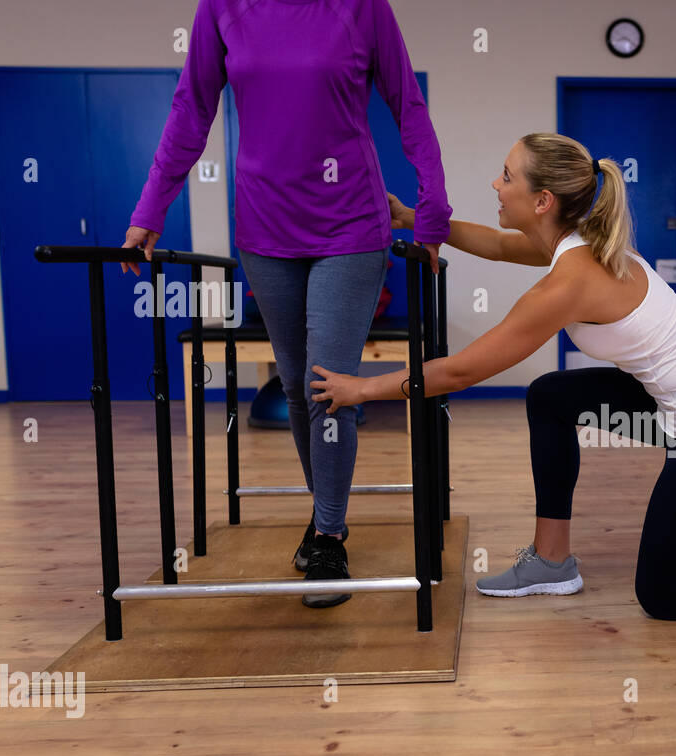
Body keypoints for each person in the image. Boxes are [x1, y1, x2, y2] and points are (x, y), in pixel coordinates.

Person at [309, 133, 676, 620]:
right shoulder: (574, 243)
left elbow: (461, 370)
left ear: (542, 201)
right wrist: (415, 219)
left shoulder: (570, 279)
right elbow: (503, 245)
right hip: (672, 405)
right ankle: (552, 561)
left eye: (506, 176)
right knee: (552, 397)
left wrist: (363, 387)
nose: (494, 184)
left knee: (664, 595)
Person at [121, 0, 451, 608]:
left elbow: (408, 104)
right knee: (296, 383)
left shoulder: (361, 8)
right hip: (265, 224)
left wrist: (434, 201)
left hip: (350, 221)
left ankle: (328, 536)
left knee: (329, 382)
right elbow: (191, 109)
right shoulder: (222, 8)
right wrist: (150, 210)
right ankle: (327, 514)